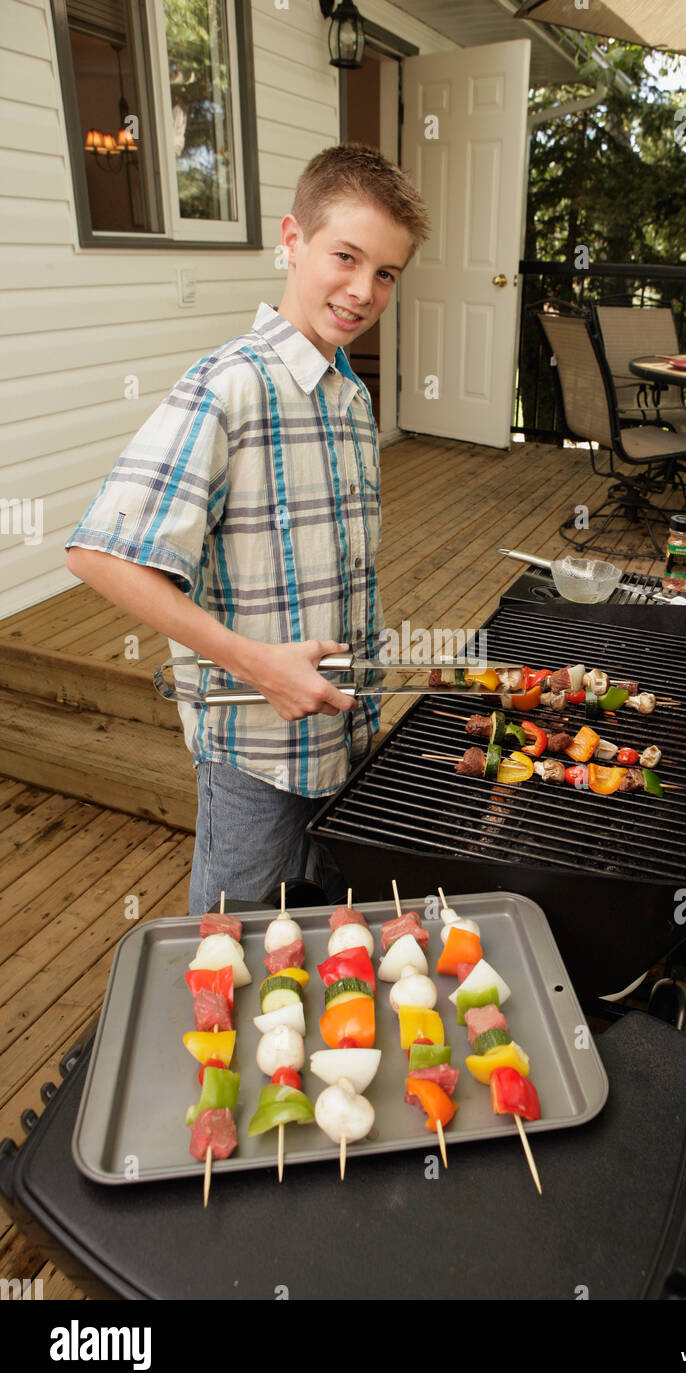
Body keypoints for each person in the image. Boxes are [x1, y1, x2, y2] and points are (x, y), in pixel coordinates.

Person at [65, 143, 431, 914]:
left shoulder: (349, 394)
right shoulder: (227, 387)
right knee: (232, 943)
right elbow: (100, 556)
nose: (363, 291)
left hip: (346, 733)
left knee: (334, 932)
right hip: (255, 756)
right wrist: (257, 664)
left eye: (386, 273)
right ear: (293, 240)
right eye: (345, 257)